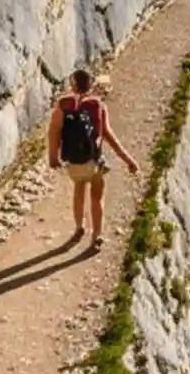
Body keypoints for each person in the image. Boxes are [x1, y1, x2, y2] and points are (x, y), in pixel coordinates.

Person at [47, 69, 139, 250]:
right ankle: (96, 236)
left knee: (78, 189)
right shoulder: (98, 105)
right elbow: (108, 136)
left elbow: (54, 132)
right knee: (97, 197)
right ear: (91, 85)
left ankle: (79, 228)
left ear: (73, 85)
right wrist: (129, 160)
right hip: (94, 162)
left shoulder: (63, 104)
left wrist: (53, 157)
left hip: (73, 162)